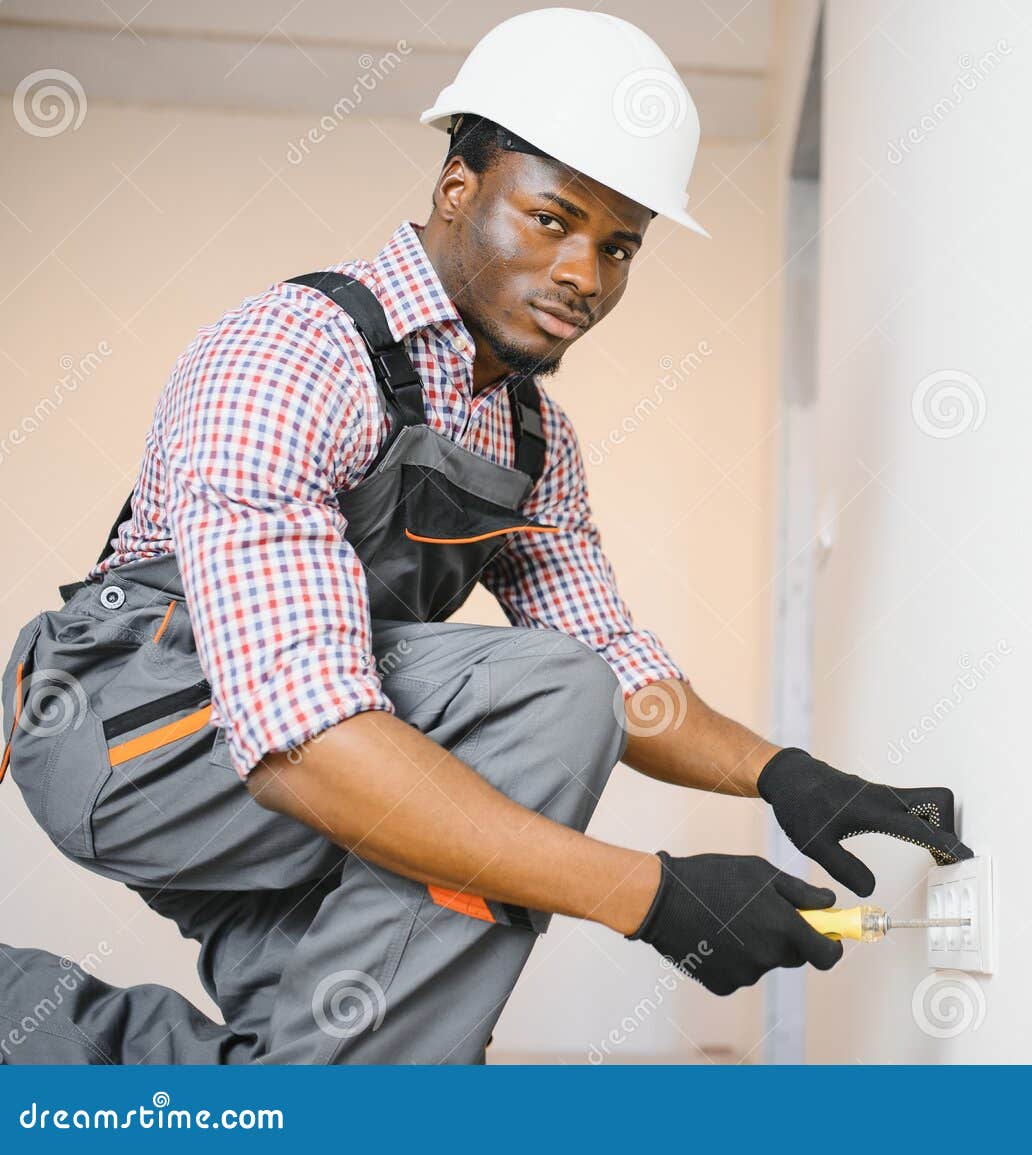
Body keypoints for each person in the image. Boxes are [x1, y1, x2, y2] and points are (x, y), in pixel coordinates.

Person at [0, 8, 969, 1064]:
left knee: (357, 1078)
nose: (584, 275)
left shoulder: (531, 436)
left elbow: (615, 658)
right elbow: (300, 730)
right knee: (550, 693)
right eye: (552, 219)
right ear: (457, 187)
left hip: (322, 756)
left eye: (617, 246)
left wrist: (783, 774)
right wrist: (649, 895)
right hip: (136, 733)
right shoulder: (294, 352)